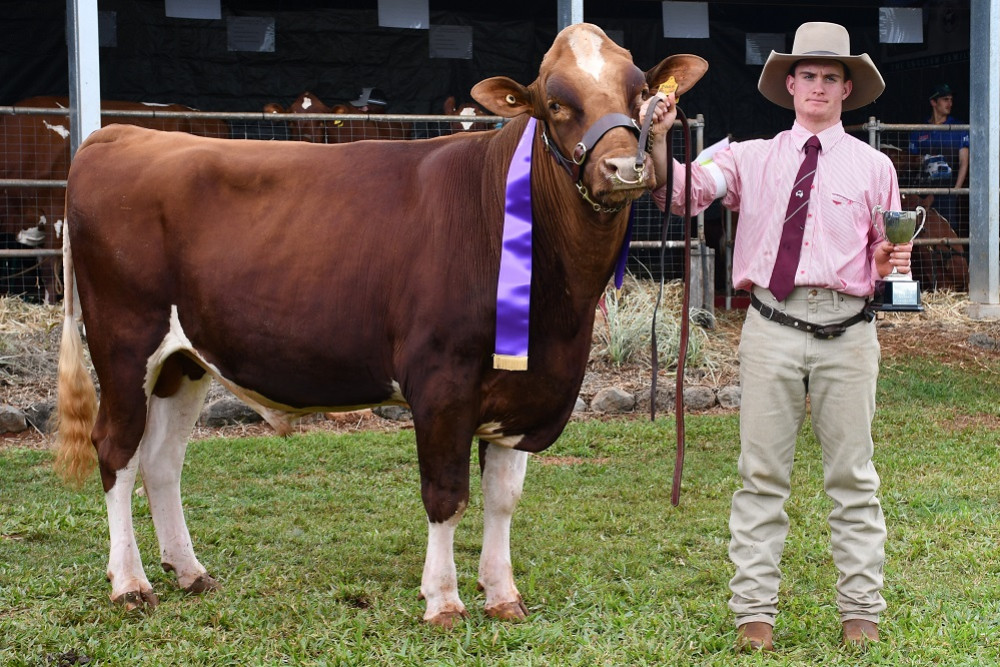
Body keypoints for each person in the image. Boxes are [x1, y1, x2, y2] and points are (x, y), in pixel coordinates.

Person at [642, 22, 911, 652]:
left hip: (849, 333)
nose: (818, 86)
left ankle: (861, 612)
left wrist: (885, 267)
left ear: (847, 88)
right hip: (771, 327)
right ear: (789, 85)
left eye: (830, 77)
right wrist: (656, 137)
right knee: (761, 475)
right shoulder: (745, 157)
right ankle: (753, 614)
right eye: (808, 76)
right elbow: (681, 193)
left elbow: (887, 253)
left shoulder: (875, 167)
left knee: (854, 477)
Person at [908, 83, 970, 233]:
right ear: (933, 102)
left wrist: (956, 190)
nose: (950, 103)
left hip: (946, 192)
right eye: (945, 99)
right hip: (922, 191)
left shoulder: (958, 128)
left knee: (947, 231)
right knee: (921, 231)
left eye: (951, 99)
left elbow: (964, 162)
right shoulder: (919, 130)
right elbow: (912, 161)